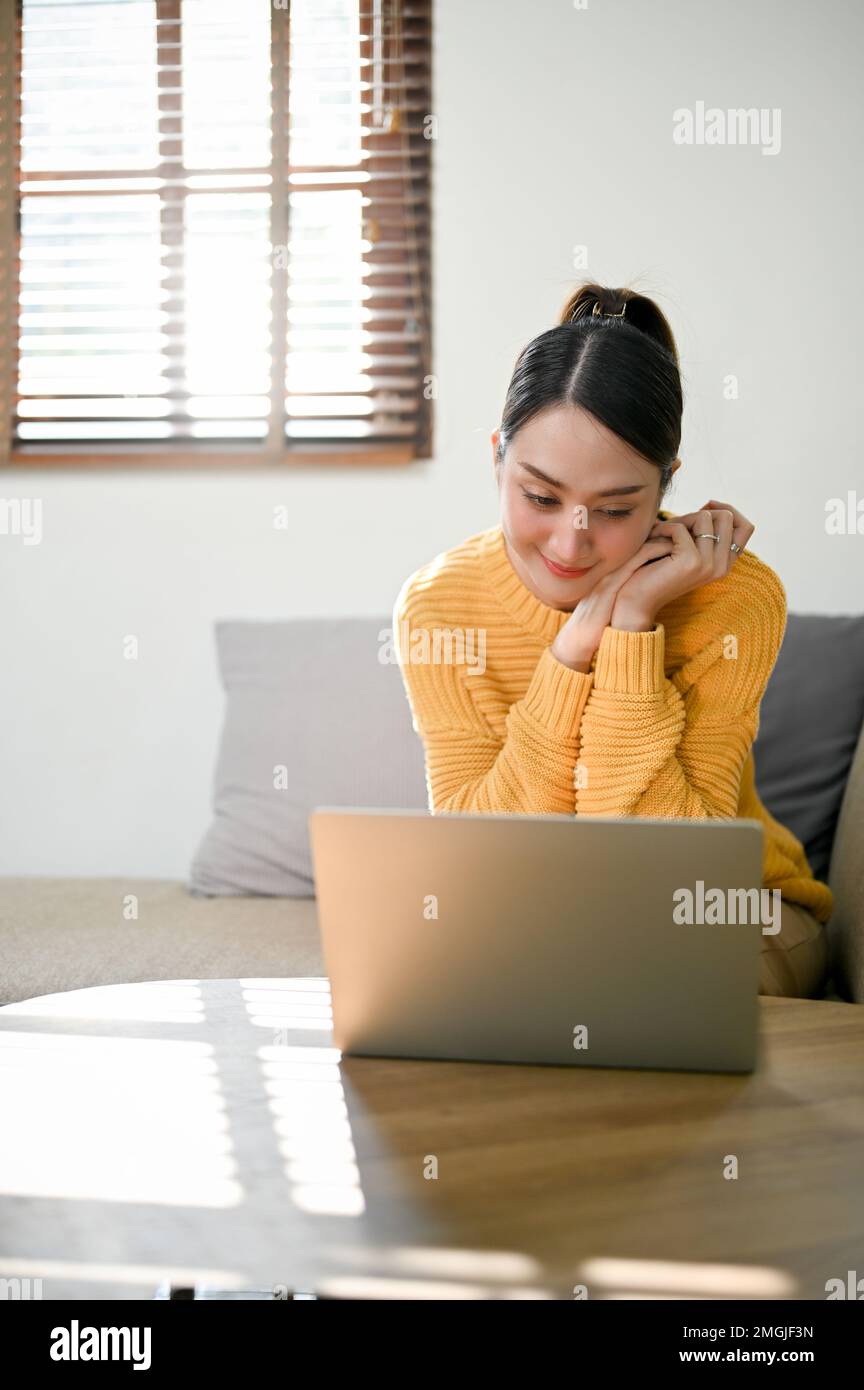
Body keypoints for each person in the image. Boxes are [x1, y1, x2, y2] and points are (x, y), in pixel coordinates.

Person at [392, 281, 831, 999]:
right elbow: (479, 858)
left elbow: (677, 868)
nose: (571, 543)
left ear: (665, 487)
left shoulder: (735, 597)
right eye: (541, 497)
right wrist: (570, 654)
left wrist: (632, 628)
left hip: (726, 913)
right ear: (497, 458)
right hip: (545, 926)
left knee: (656, 983)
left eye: (617, 509)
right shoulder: (438, 608)